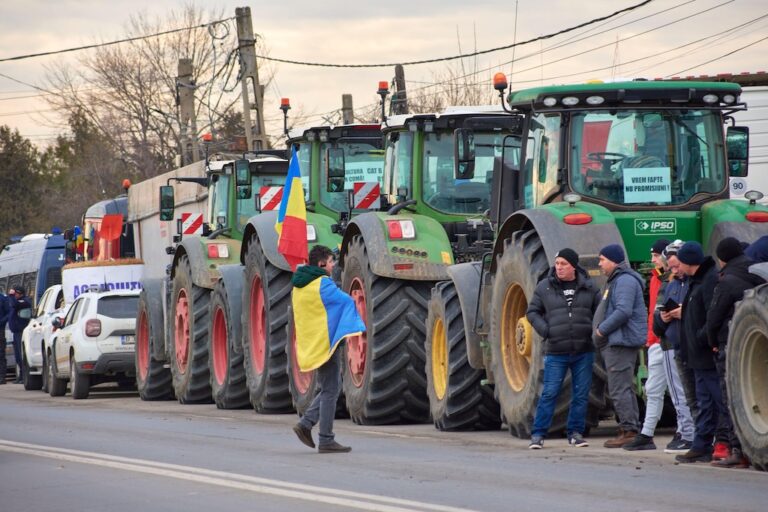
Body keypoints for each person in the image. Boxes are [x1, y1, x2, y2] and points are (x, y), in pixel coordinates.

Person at [291, 245, 365, 454]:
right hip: (326, 344)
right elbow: (345, 301)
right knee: (331, 389)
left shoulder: (299, 286)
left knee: (328, 388)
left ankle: (306, 424)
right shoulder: (322, 283)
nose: (333, 265)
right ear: (322, 264)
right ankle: (325, 439)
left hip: (311, 342)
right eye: (332, 262)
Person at [624, 239, 695, 452]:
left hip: (668, 341)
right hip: (658, 340)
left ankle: (686, 432)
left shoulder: (675, 282)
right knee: (654, 389)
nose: (654, 260)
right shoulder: (660, 280)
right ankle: (647, 433)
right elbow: (655, 312)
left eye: (656, 256)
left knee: (679, 391)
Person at [526, 248, 600, 449]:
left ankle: (575, 433)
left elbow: (599, 314)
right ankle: (538, 434)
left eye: (563, 264)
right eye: (557, 263)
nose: (559, 267)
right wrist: (547, 331)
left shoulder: (590, 287)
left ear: (573, 266)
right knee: (549, 392)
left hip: (583, 350)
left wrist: (592, 333)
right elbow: (532, 312)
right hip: (556, 351)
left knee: (581, 393)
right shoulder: (544, 287)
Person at [706, 237, 764, 468]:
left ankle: (737, 451)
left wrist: (712, 341)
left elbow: (713, 318)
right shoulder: (757, 273)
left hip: (729, 344)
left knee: (731, 399)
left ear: (722, 259)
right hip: (753, 348)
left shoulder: (727, 281)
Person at [674, 241, 724, 464]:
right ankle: (701, 445)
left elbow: (712, 316)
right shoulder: (696, 281)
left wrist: (701, 338)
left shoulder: (708, 280)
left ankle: (726, 443)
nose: (676, 267)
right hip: (697, 356)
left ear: (687, 262)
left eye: (679, 263)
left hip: (705, 354)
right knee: (705, 403)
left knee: (719, 401)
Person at [594, 244, 648, 448]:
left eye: (602, 260)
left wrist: (602, 330)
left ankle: (630, 430)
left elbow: (623, 311)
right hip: (616, 341)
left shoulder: (624, 281)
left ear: (614, 260)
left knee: (619, 389)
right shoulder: (617, 280)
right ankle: (629, 427)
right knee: (622, 387)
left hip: (620, 342)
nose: (600, 264)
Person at [7, 286, 32, 384]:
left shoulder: (24, 301)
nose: (15, 295)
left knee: (22, 355)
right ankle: (21, 376)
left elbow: (14, 304)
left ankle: (24, 376)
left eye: (16, 294)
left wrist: (11, 295)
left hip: (21, 332)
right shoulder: (17, 301)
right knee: (17, 356)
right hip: (16, 332)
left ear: (20, 293)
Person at [0, 291, 11, 384]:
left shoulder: (3, 298)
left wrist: (1, 322)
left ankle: (1, 377)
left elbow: (9, 313)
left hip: (0, 330)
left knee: (1, 354)